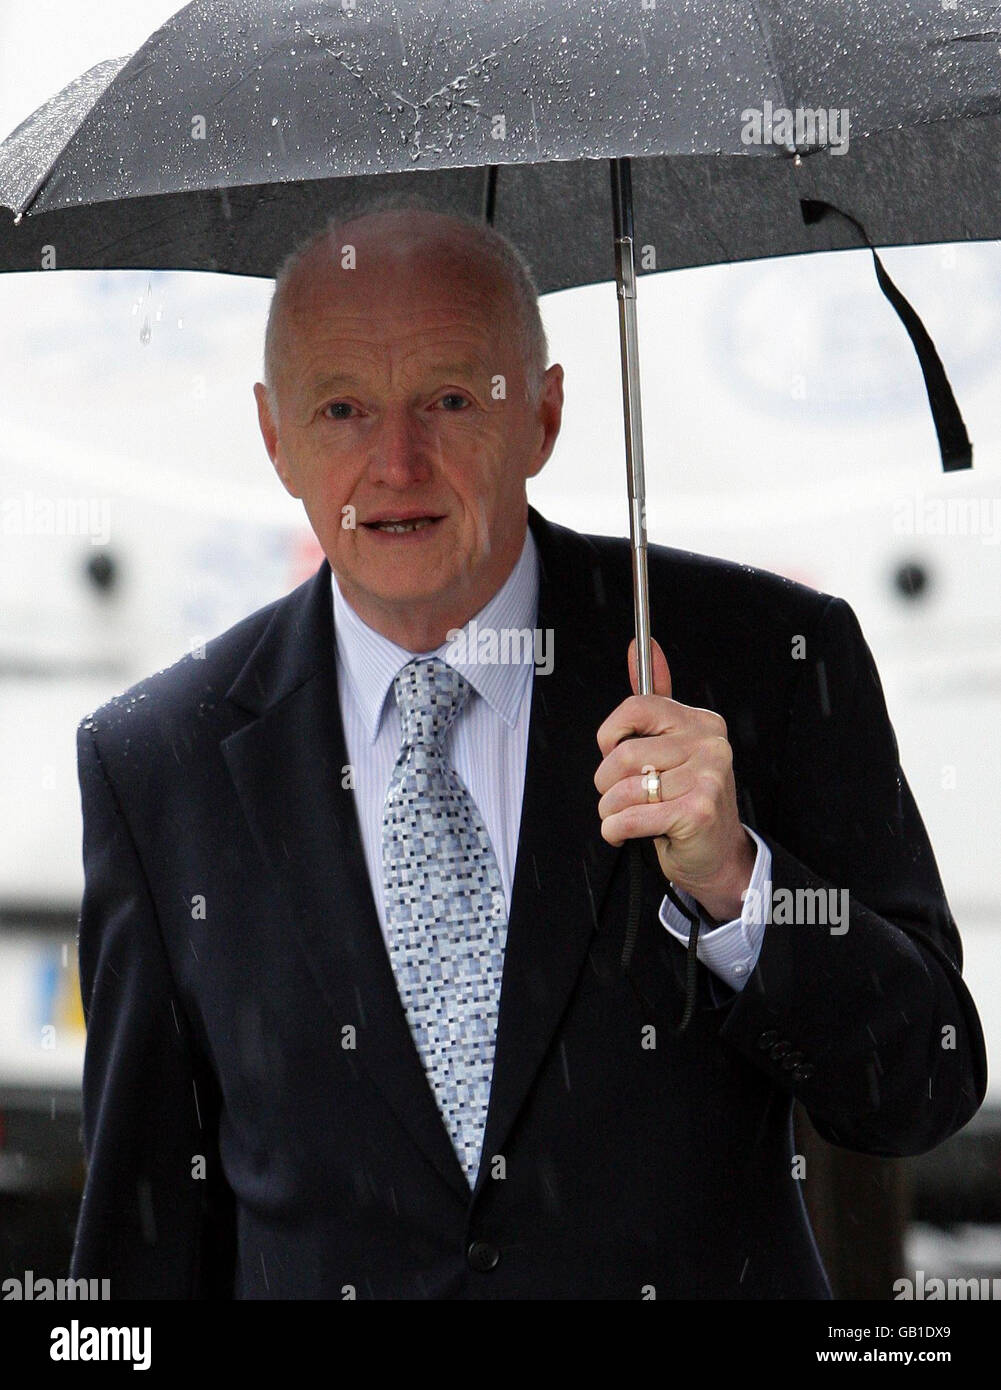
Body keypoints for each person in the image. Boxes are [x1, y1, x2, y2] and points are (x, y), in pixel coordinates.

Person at [69, 206, 986, 1300]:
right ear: (276, 438)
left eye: (450, 401)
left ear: (544, 415)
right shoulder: (158, 763)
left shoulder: (761, 664)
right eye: (344, 408)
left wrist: (738, 888)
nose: (395, 462)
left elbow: (921, 1083)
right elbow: (141, 1239)